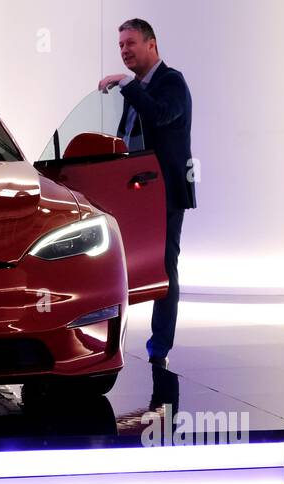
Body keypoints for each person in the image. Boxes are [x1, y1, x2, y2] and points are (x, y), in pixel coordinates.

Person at [99, 18, 194, 369]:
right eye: (120, 45)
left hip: (165, 193)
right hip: (135, 193)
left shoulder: (171, 82)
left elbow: (160, 116)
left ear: (151, 45)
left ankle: (160, 348)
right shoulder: (134, 90)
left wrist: (126, 84)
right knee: (120, 267)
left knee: (165, 267)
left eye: (131, 43)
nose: (124, 51)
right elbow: (125, 139)